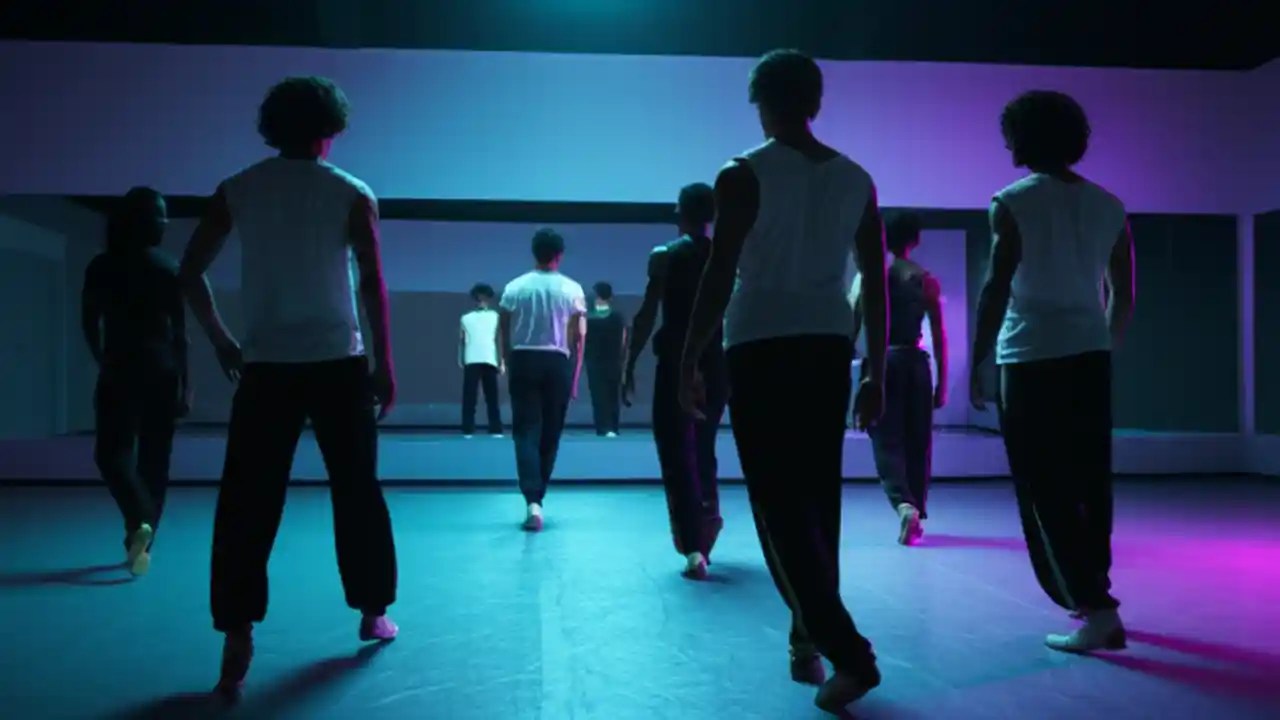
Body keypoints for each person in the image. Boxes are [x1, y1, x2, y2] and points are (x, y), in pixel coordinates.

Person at [678, 50, 889, 715]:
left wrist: (688, 358)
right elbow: (875, 284)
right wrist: (875, 367)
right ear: (815, 102)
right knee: (816, 500)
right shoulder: (857, 179)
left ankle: (847, 652)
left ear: (761, 102)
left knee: (776, 503)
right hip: (829, 345)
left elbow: (720, 274)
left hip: (762, 345)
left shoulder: (742, 173)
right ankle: (806, 641)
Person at [179, 76, 400, 697]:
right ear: (331, 132)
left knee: (247, 500)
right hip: (337, 362)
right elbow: (370, 286)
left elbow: (189, 272)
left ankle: (237, 632)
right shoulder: (351, 193)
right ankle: (372, 610)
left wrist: (225, 342)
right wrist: (385, 365)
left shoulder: (238, 189)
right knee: (356, 492)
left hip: (266, 367)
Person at [969, 90, 1134, 654]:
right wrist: (1101, 342)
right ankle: (1095, 593)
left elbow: (995, 288)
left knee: (1045, 488)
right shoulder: (1110, 205)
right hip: (1089, 356)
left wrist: (980, 357)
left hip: (1032, 357)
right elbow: (1123, 291)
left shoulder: (1011, 202)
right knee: (1090, 481)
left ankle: (1095, 609)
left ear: (1024, 137)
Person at [81, 186, 190, 577]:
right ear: (143, 223)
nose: (166, 222)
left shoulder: (102, 266)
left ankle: (137, 523)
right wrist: (185, 385)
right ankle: (142, 533)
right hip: (161, 372)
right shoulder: (167, 268)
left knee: (112, 453)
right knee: (154, 461)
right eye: (160, 216)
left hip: (120, 369)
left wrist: (102, 358)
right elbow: (180, 334)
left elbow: (89, 322)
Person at [625, 182, 727, 580]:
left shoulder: (665, 256)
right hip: (716, 362)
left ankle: (694, 546)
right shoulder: (725, 258)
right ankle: (709, 516)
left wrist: (629, 362)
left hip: (675, 363)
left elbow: (648, 314)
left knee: (675, 450)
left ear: (679, 213)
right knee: (704, 445)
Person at [850, 213, 947, 545]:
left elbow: (852, 324)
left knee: (885, 438)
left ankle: (904, 505)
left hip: (884, 360)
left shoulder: (870, 277)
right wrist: (942, 383)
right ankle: (916, 508)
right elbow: (938, 332)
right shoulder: (925, 279)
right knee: (917, 441)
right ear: (915, 241)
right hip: (917, 362)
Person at [498, 228, 587, 531]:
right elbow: (577, 341)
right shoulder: (572, 289)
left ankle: (532, 501)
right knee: (551, 432)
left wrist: (508, 365)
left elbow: (503, 333)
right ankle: (538, 497)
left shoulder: (514, 287)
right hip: (556, 361)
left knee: (525, 432)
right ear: (559, 255)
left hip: (523, 359)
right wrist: (574, 379)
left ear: (534, 253)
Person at [459, 283, 504, 437]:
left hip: (489, 359)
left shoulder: (495, 316)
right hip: (472, 358)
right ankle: (467, 428)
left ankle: (495, 427)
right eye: (479, 298)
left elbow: (498, 339)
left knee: (492, 396)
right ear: (475, 299)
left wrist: (501, 361)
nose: (481, 301)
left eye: (484, 298)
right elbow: (462, 340)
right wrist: (461, 358)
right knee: (470, 396)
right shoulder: (466, 318)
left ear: (489, 299)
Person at [584, 282, 627, 436]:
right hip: (613, 360)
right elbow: (623, 339)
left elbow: (581, 338)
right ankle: (613, 427)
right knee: (612, 394)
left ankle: (603, 427)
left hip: (594, 361)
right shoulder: (617, 316)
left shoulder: (589, 317)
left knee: (598, 395)